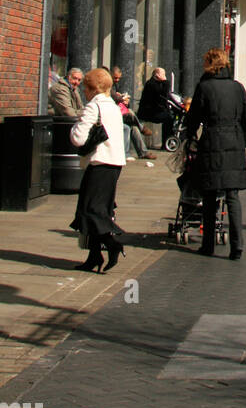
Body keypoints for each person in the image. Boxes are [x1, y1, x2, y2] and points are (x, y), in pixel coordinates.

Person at [185, 47, 246, 260]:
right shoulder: (238, 87)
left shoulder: (204, 88)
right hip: (233, 141)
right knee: (233, 196)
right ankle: (237, 245)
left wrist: (191, 138)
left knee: (210, 194)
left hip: (212, 141)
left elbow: (193, 117)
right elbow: (245, 118)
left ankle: (208, 245)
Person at [69, 67, 126, 272]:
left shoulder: (94, 106)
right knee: (93, 209)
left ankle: (113, 245)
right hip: (114, 163)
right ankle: (94, 256)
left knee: (92, 210)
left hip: (100, 163)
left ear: (92, 89)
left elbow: (78, 138)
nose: (84, 91)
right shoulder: (113, 106)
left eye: (86, 87)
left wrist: (76, 125)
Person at [137, 67, 174, 148]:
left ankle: (167, 141)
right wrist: (166, 82)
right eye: (163, 75)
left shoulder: (158, 84)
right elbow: (162, 96)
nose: (165, 77)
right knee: (169, 118)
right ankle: (166, 143)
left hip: (155, 111)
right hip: (149, 113)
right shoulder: (151, 84)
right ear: (157, 75)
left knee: (170, 116)